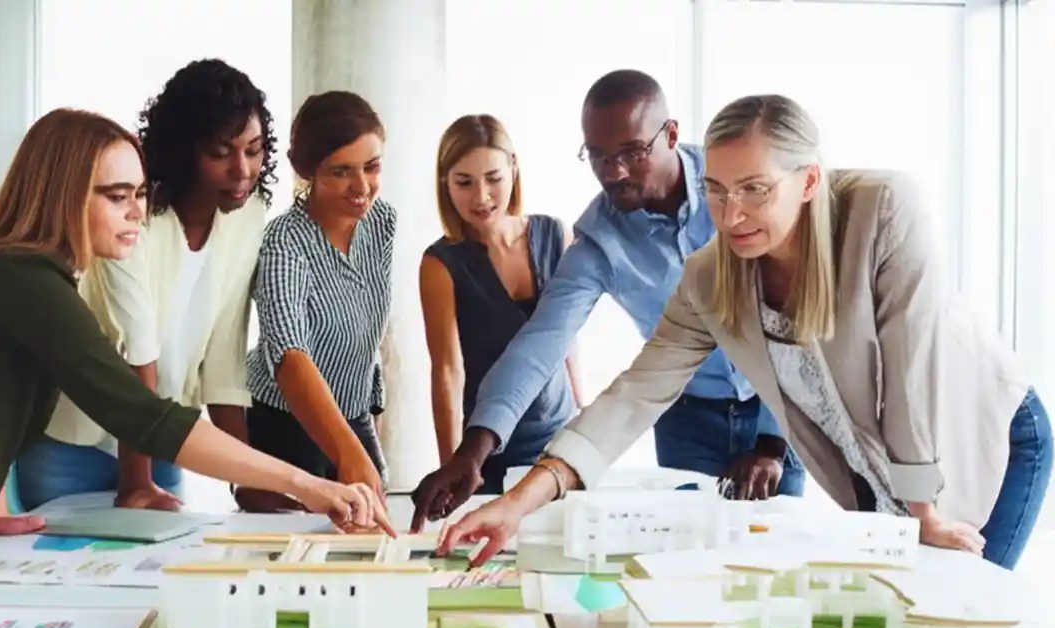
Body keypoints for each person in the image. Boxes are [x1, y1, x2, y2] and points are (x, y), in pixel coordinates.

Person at [0, 108, 390, 624]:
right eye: (115, 196)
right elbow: (144, 416)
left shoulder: (24, 275)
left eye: (139, 194)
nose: (135, 212)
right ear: (64, 193)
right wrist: (311, 485)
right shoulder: (23, 280)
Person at [439, 94, 1050, 571]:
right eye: (719, 193)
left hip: (982, 432)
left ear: (808, 180)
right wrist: (515, 503)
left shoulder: (885, 209)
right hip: (874, 463)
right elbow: (633, 394)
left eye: (755, 190)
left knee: (960, 612)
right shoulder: (709, 273)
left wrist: (921, 510)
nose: (731, 217)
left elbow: (909, 371)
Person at [410, 70, 803, 531]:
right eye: (597, 156)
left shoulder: (731, 190)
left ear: (670, 135)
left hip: (777, 400)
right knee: (690, 549)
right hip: (683, 413)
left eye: (631, 153)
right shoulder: (598, 240)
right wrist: (473, 449)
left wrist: (772, 442)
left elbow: (795, 317)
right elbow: (540, 343)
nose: (613, 171)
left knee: (779, 549)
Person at [12, 59, 276, 512]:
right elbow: (138, 345)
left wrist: (248, 481)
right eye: (220, 153)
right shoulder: (131, 215)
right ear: (183, 150)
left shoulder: (248, 217)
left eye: (253, 150)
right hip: (72, 446)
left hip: (162, 444)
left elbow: (224, 359)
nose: (242, 170)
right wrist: (137, 484)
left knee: (155, 580)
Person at [237, 91, 395, 515]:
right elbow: (290, 357)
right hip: (283, 420)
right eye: (341, 171)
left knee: (371, 526)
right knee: (297, 538)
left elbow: (365, 331)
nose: (362, 187)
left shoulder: (382, 221)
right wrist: (350, 456)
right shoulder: (283, 243)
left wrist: (364, 433)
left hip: (354, 411)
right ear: (305, 169)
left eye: (372, 166)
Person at [420, 114, 579, 495]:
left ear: (514, 169)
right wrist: (452, 464)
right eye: (465, 182)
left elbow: (566, 338)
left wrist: (582, 421)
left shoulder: (556, 235)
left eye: (493, 178)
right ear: (446, 182)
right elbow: (447, 370)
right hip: (488, 450)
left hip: (558, 441)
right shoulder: (440, 264)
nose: (482, 197)